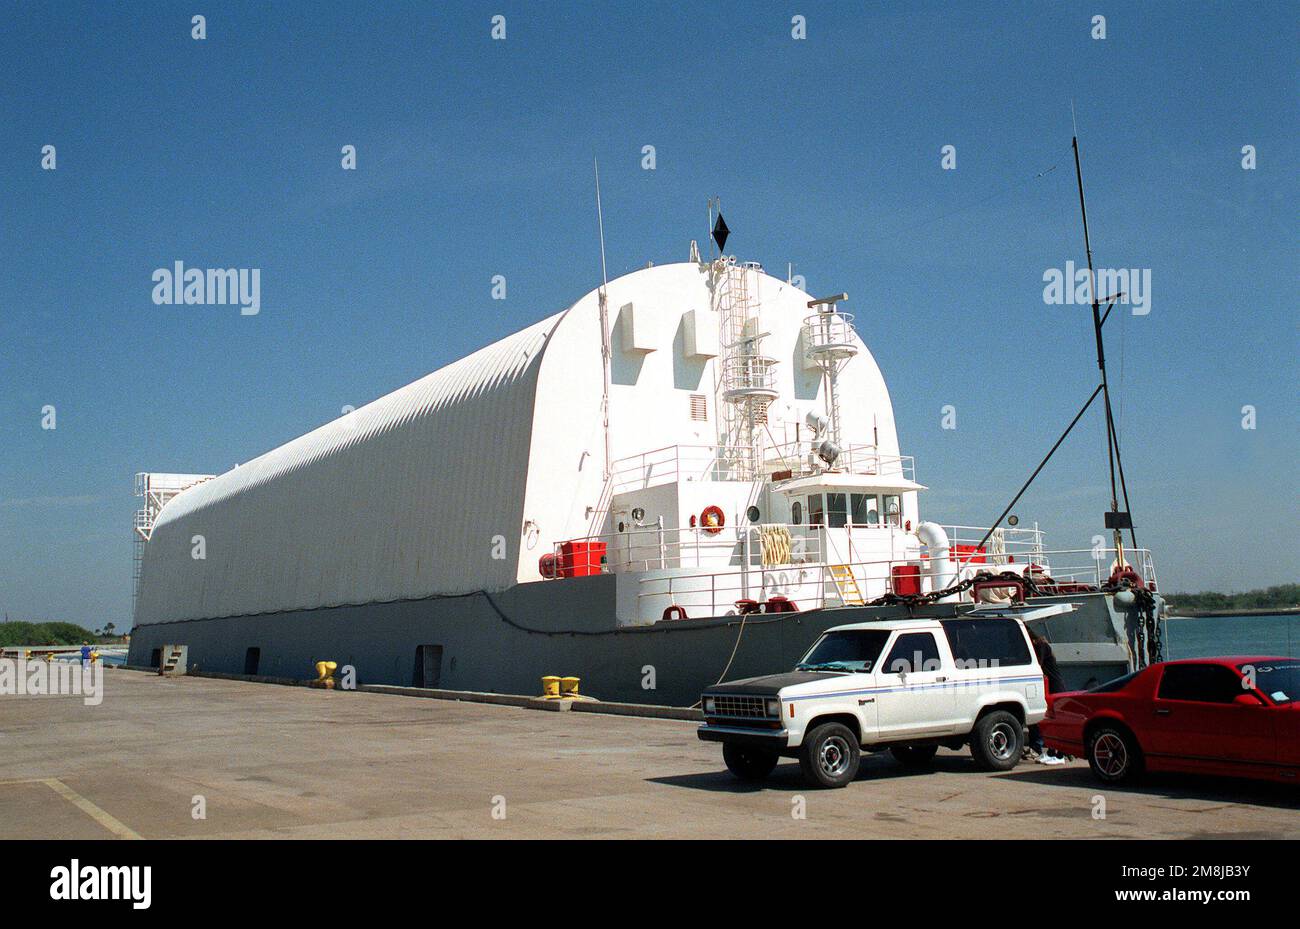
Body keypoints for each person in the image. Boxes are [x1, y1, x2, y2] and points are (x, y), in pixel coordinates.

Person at [1027, 630, 1067, 765]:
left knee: (1055, 721)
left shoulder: (1041, 646)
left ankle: (1060, 755)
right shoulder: (1041, 646)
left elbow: (1037, 663)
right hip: (1050, 686)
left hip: (1056, 687)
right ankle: (1051, 752)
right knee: (1050, 720)